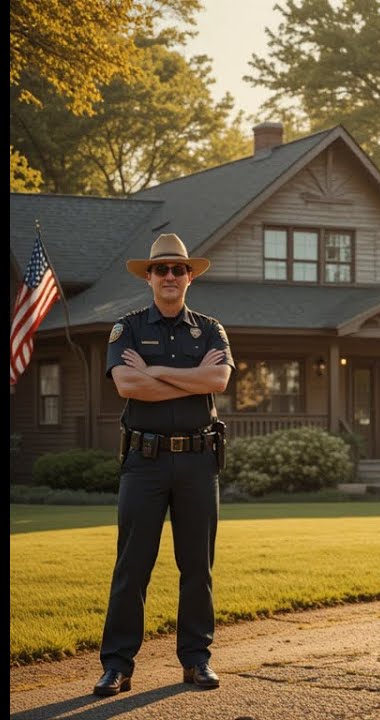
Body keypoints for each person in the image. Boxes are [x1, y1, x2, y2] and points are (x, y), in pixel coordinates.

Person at [93, 233, 233, 696]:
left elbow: (218, 378)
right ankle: (117, 666)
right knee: (132, 566)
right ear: (149, 277)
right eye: (161, 269)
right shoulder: (127, 327)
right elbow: (127, 387)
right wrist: (189, 381)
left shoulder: (211, 329)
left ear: (189, 276)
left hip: (198, 461)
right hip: (144, 462)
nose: (170, 276)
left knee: (198, 566)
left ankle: (197, 661)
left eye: (178, 269)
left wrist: (154, 370)